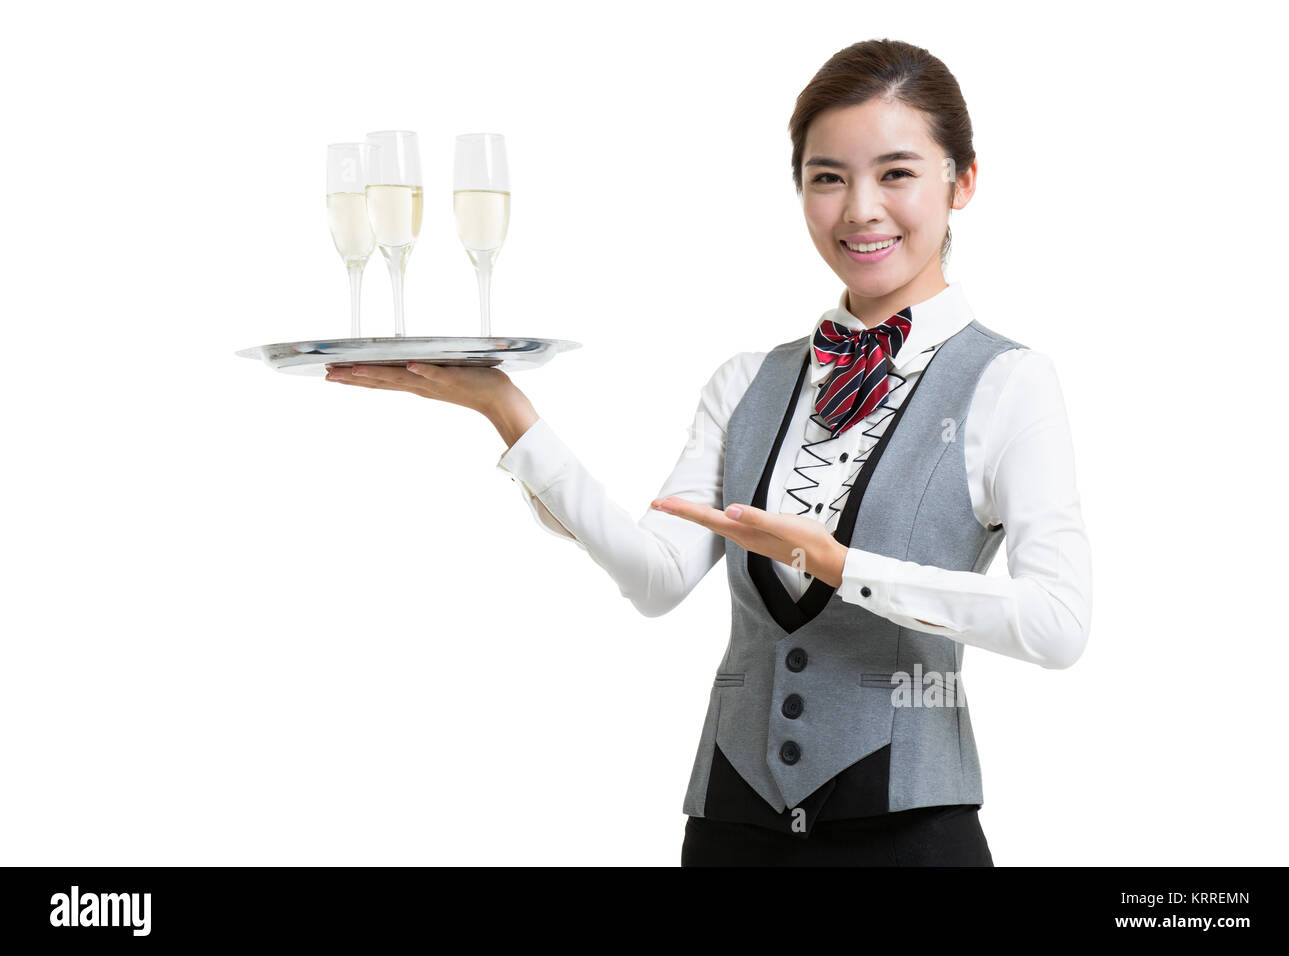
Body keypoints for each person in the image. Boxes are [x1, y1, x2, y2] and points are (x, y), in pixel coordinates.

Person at [324, 37, 1092, 867]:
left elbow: (1058, 624)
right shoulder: (747, 382)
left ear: (962, 180)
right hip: (732, 825)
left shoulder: (1010, 382)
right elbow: (656, 578)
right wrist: (509, 413)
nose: (861, 208)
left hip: (910, 834)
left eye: (897, 172)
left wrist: (840, 564)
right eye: (827, 177)